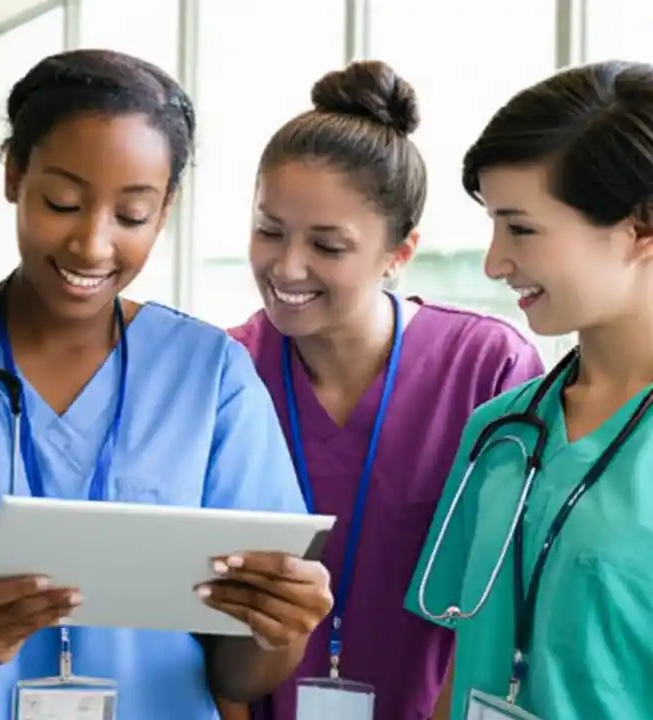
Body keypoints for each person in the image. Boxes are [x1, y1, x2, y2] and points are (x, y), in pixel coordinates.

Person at [0, 48, 334, 720]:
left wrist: (279, 627)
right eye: (62, 202)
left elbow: (238, 671)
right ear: (13, 175)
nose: (91, 244)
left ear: (165, 209)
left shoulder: (211, 376)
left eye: (132, 216)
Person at [220, 61, 545, 720]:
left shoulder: (487, 367)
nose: (286, 266)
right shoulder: (226, 370)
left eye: (327, 245)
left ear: (400, 253)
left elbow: (506, 598)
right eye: (269, 230)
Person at [406, 60, 653, 720]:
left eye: (521, 228)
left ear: (641, 225)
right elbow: (462, 662)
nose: (494, 262)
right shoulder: (502, 431)